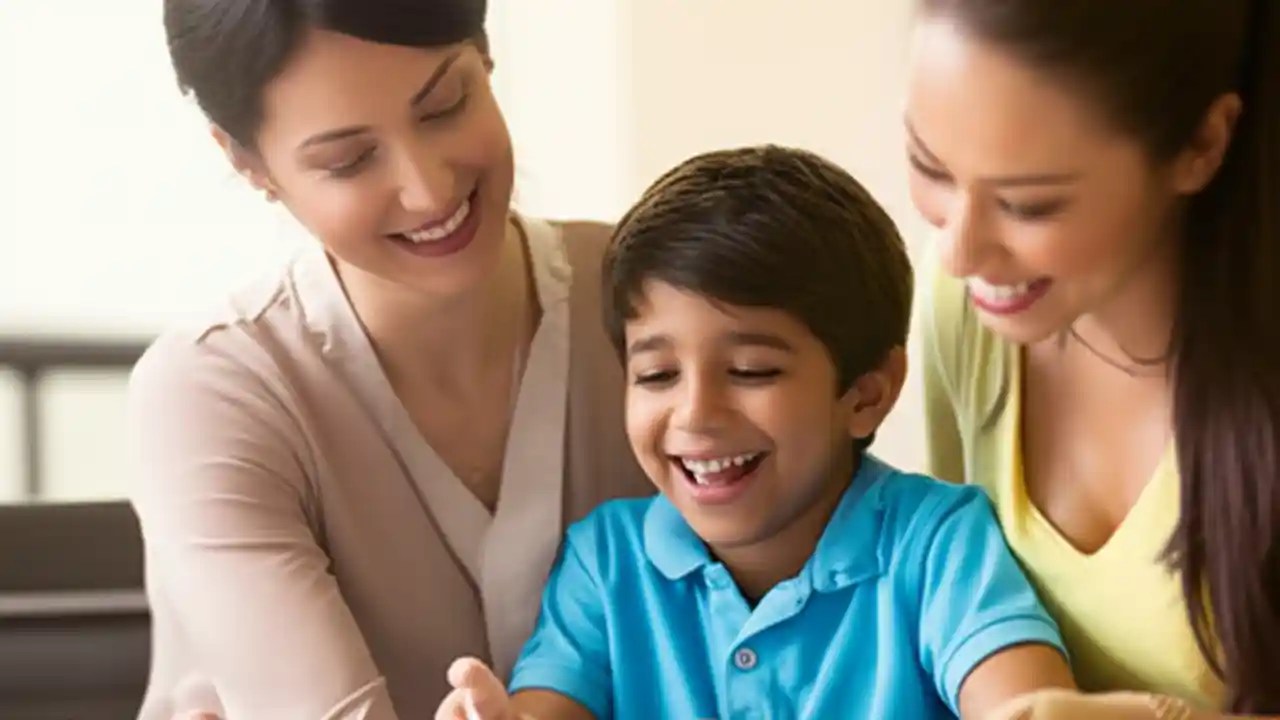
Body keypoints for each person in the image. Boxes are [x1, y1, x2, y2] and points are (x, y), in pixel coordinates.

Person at [128, 1, 649, 718]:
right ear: (248, 162)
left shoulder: (656, 298)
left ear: (484, 55)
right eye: (348, 160)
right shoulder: (215, 391)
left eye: (445, 105)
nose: (429, 189)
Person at [432, 145, 1076, 720]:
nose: (695, 414)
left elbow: (1025, 703)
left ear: (866, 394)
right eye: (657, 375)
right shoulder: (605, 565)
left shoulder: (937, 543)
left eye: (751, 370)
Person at [908, 0, 1280, 715]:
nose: (961, 249)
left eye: (1030, 205)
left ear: (1202, 144)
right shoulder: (963, 303)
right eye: (930, 167)